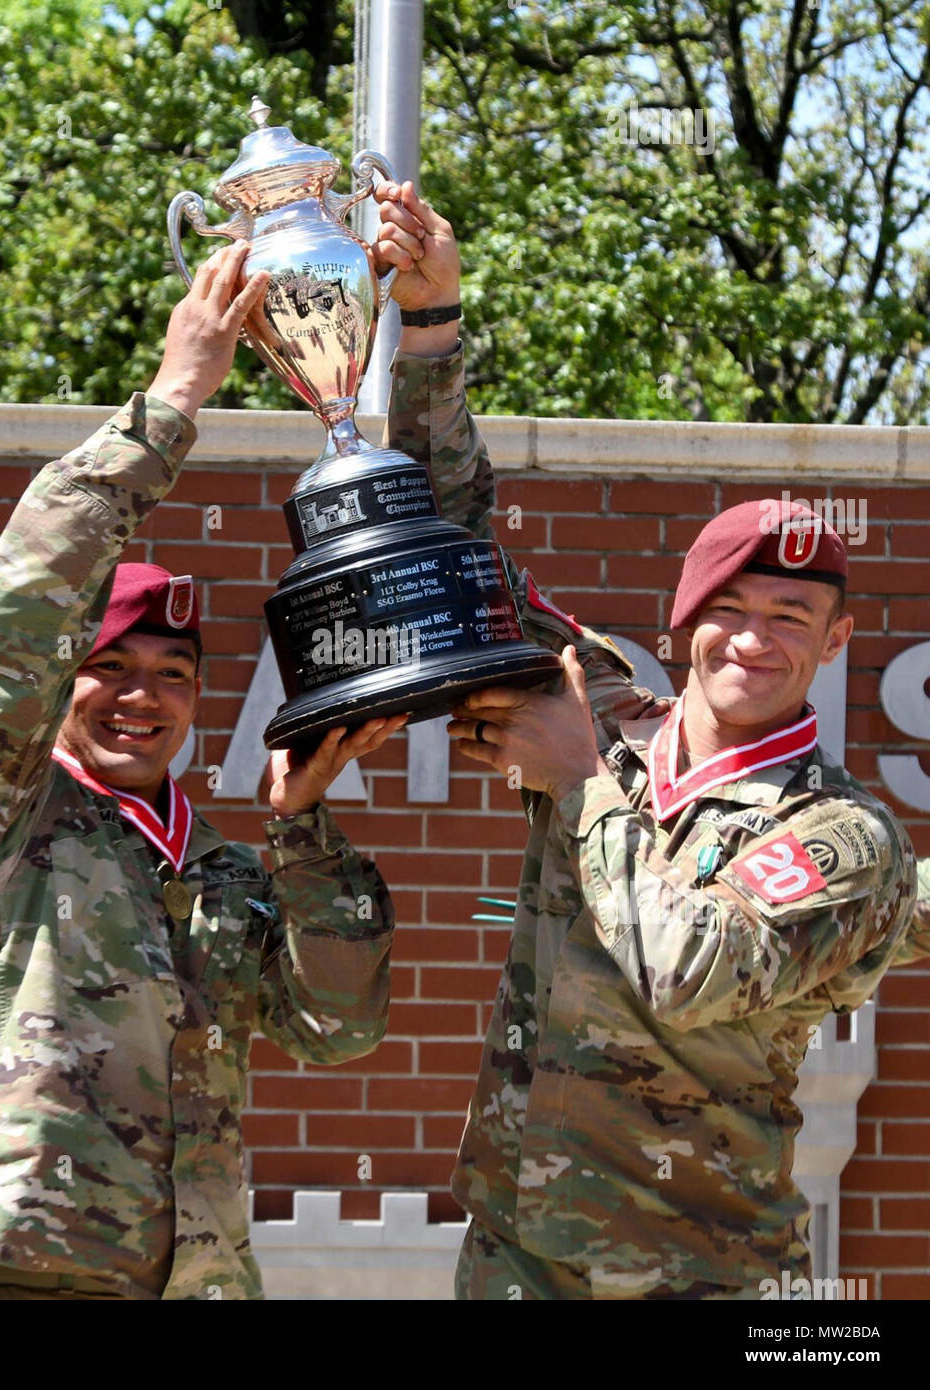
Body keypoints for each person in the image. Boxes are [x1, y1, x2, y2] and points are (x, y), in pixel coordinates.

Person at [372, 185, 920, 1300]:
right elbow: (447, 543)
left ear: (834, 640)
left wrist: (576, 780)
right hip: (515, 1255)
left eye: (790, 617)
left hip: (696, 1272)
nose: (752, 640)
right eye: (730, 608)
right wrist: (430, 324)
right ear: (682, 619)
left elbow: (687, 969)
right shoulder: (607, 712)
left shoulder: (844, 835)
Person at [0, 242, 406, 1300]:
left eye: (171, 674)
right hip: (42, 1265)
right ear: (61, 683)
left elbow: (336, 1028)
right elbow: (14, 619)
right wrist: (175, 400)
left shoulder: (218, 869)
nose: (140, 694)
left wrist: (304, 832)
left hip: (202, 1276)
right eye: (108, 668)